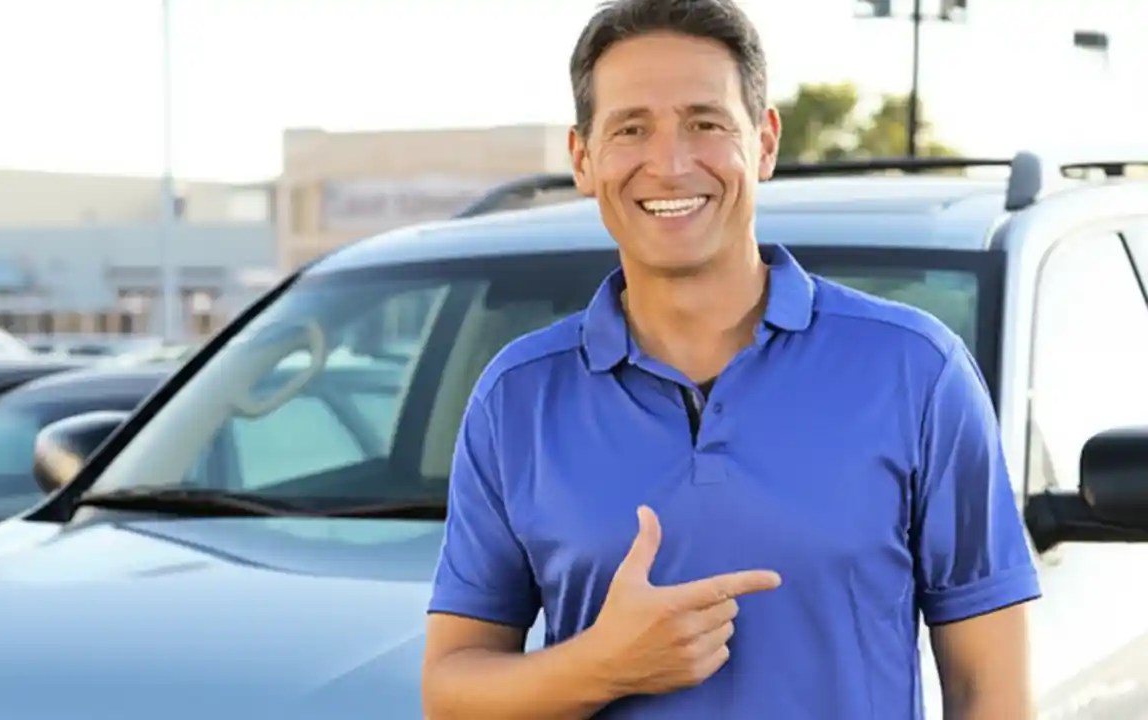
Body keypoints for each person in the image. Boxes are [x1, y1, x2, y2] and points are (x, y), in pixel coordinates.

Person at [421, 0, 1041, 717]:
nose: (671, 163)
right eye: (631, 129)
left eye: (705, 123)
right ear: (583, 158)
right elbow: (451, 693)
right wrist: (602, 667)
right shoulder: (516, 399)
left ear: (765, 141)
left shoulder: (917, 371)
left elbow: (988, 690)